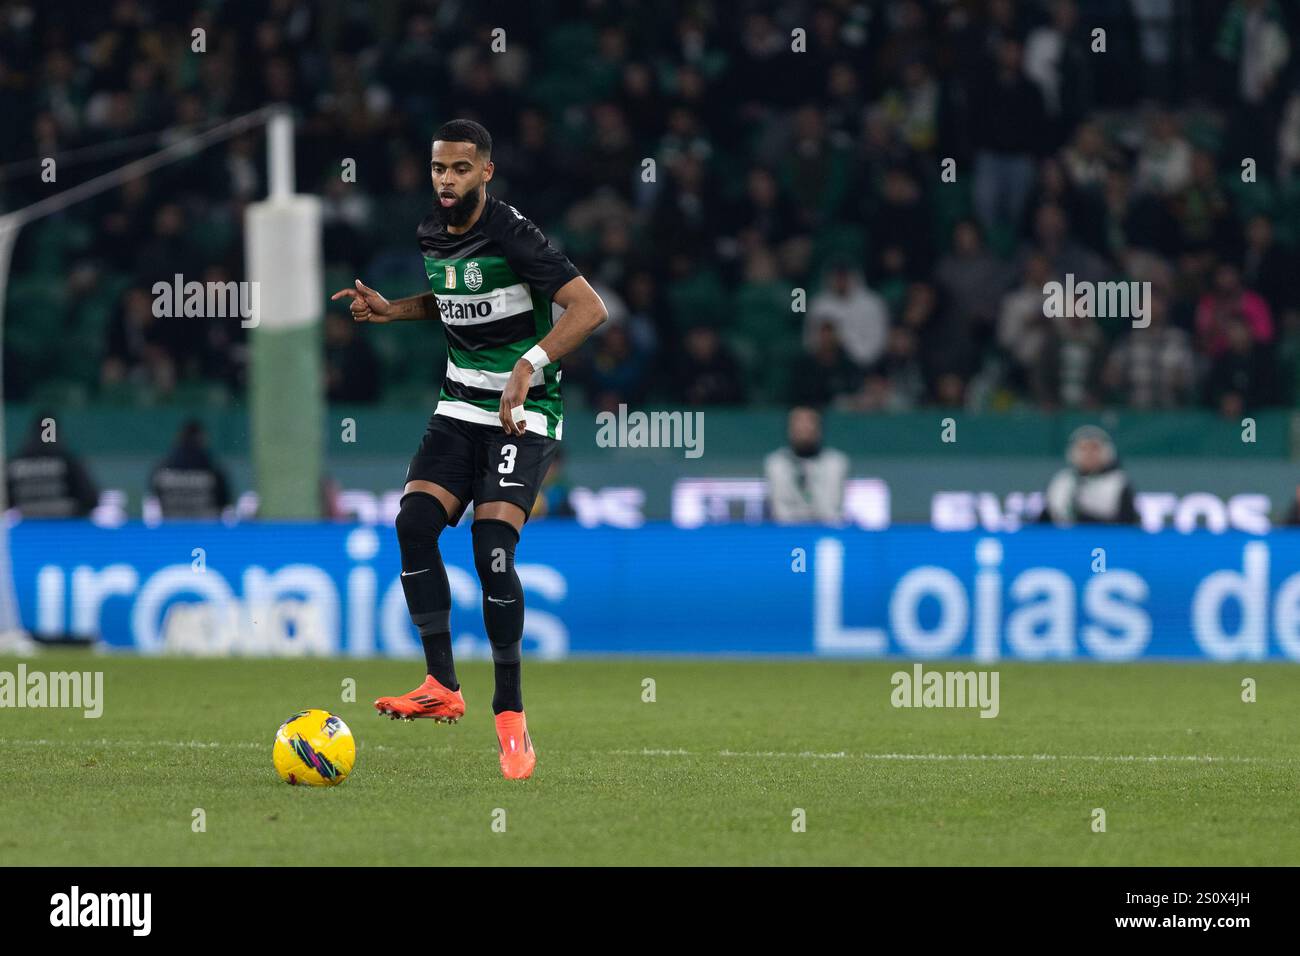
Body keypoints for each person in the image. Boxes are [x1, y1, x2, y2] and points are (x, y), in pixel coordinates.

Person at [330, 119, 607, 780]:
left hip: (522, 415)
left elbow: (589, 309)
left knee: (491, 549)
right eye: (437, 170)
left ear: (486, 171)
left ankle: (509, 715)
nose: (446, 181)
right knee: (413, 522)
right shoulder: (431, 231)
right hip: (458, 409)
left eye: (459, 169)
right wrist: (395, 310)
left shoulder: (514, 233)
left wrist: (528, 366)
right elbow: (458, 298)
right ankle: (441, 684)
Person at [764, 407, 848, 525]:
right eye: (798, 424)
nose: (804, 429)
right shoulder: (776, 463)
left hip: (825, 534)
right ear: (789, 429)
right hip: (788, 535)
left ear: (819, 429)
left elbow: (832, 512)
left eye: (809, 423)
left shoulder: (835, 462)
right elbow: (781, 513)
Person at [5, 412, 99, 518]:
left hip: (24, 528)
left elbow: (5, 501)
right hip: (64, 527)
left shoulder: (15, 463)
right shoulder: (67, 461)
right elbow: (90, 499)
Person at [1041, 425, 1138, 525]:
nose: (1089, 454)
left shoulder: (1118, 482)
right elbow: (1047, 518)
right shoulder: (1062, 481)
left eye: (1095, 448)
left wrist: (1081, 517)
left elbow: (1127, 523)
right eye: (1083, 449)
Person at [149, 419, 232, 519]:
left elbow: (153, 498)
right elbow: (224, 502)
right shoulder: (213, 470)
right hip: (207, 529)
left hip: (171, 528)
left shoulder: (162, 468)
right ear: (201, 438)